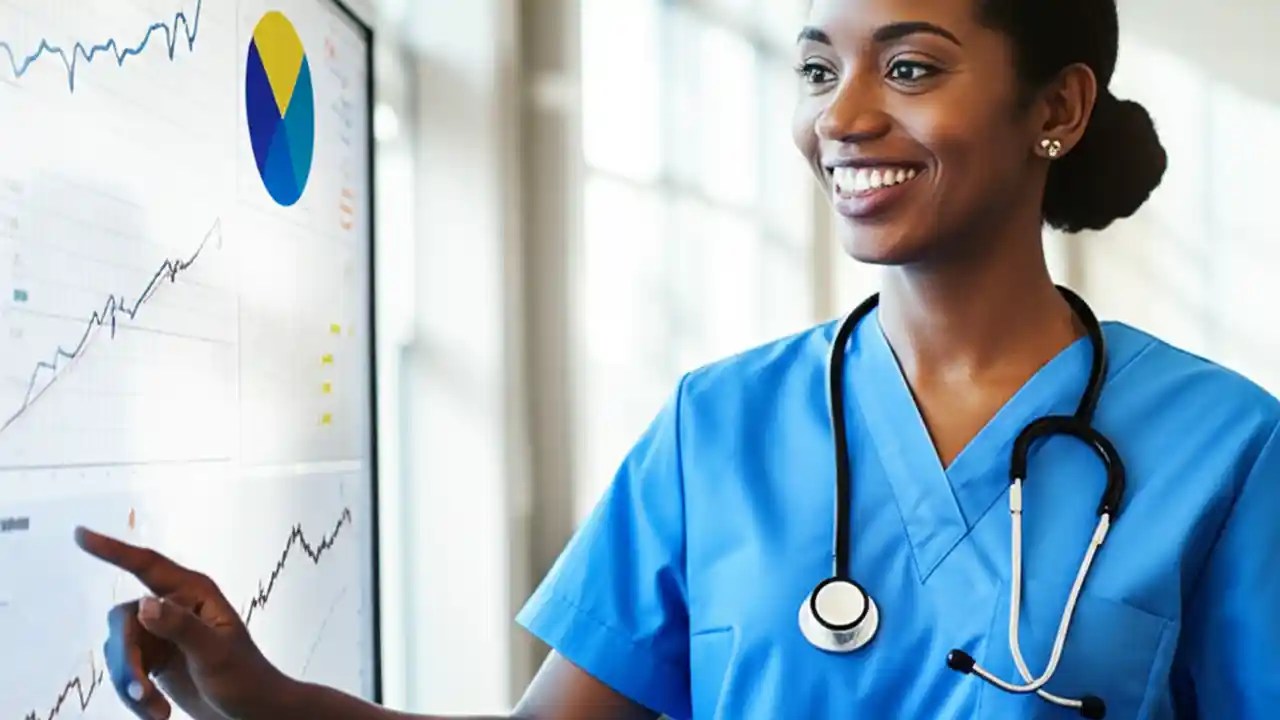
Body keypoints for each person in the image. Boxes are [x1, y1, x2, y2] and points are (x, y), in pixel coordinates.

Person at [76, 0, 1280, 718]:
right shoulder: (720, 426)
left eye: (907, 67)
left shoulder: (1219, 442)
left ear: (1055, 109)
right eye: (818, 67)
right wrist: (261, 696)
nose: (840, 115)